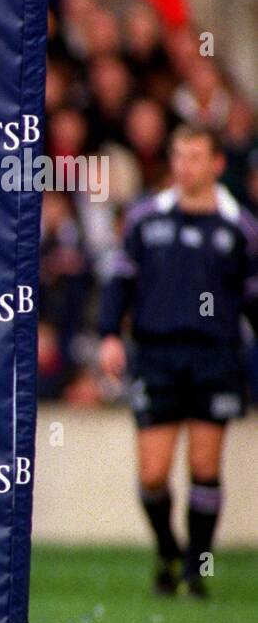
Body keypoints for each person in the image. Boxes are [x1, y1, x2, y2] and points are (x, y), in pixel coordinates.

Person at [98, 124, 258, 598]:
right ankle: (169, 549)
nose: (185, 164)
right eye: (178, 155)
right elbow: (119, 279)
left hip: (215, 356)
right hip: (157, 354)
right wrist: (109, 334)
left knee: (205, 468)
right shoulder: (145, 218)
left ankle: (195, 570)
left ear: (216, 164)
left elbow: (253, 298)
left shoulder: (241, 226)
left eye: (195, 156)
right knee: (153, 472)